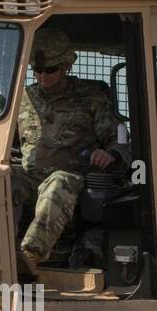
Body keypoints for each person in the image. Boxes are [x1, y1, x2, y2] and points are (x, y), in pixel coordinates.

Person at [13, 27, 129, 276]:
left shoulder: (91, 99)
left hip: (71, 188)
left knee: (57, 182)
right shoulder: (24, 98)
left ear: (66, 66)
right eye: (37, 70)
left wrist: (111, 155)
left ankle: (29, 257)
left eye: (50, 70)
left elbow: (119, 141)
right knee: (0, 179)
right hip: (29, 182)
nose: (42, 76)